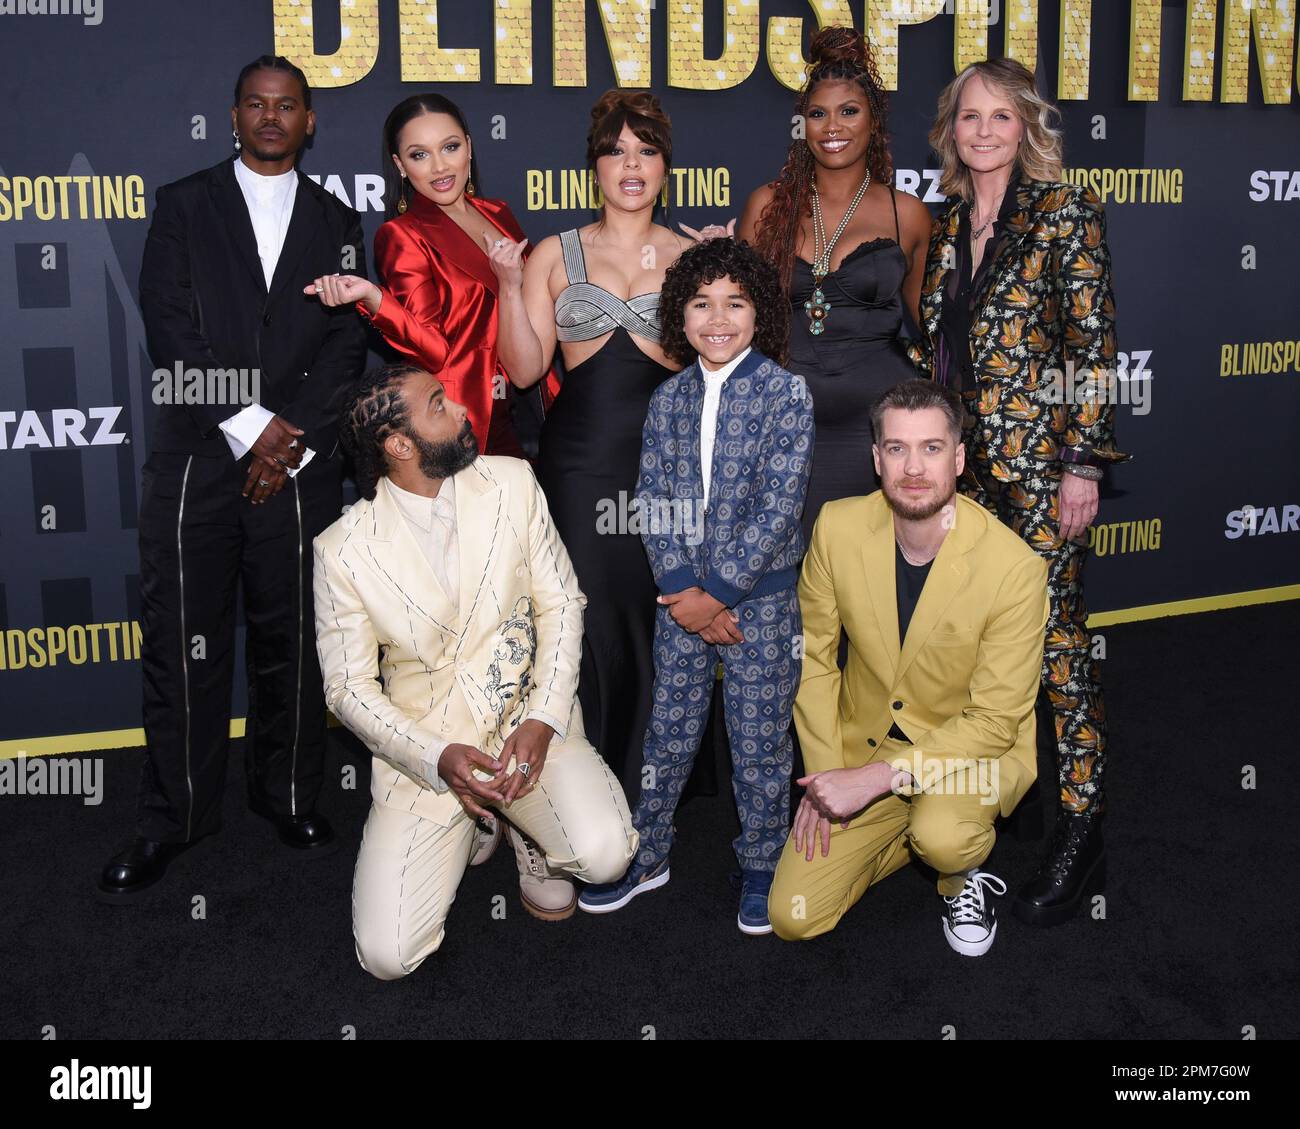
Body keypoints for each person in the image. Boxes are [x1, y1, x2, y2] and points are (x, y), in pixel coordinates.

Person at [98, 55, 368, 900]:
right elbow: (169, 327)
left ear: (310, 119)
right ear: (233, 115)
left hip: (301, 468)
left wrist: (290, 444)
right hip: (196, 462)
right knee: (182, 643)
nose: (271, 116)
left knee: (294, 639)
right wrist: (254, 428)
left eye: (287, 104)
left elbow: (347, 345)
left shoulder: (338, 217)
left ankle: (289, 794)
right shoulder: (182, 205)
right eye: (255, 103)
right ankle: (171, 819)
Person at [314, 363, 637, 978]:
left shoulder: (511, 481)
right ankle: (467, 819)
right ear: (400, 446)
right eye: (438, 404)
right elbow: (347, 689)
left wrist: (544, 718)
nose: (463, 408)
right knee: (387, 957)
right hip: (432, 750)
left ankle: (529, 838)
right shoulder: (343, 549)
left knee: (606, 856)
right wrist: (437, 758)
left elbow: (562, 603)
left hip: (528, 727)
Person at [913, 58, 1128, 926]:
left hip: (1044, 474)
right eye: (971, 116)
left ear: (1027, 126)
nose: (985, 129)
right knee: (982, 645)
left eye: (1003, 115)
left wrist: (1082, 464)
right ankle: (1011, 798)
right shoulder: (947, 221)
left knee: (1060, 648)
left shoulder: (1065, 211)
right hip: (969, 478)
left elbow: (1096, 348)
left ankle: (1083, 829)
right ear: (952, 130)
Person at [490, 90, 729, 798]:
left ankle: (656, 785)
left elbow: (721, 367)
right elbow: (527, 368)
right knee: (585, 615)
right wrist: (508, 285)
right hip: (580, 463)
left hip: (668, 465)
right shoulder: (554, 253)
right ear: (594, 165)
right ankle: (581, 788)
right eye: (617, 150)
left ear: (665, 165)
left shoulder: (692, 252)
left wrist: (723, 277)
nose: (632, 164)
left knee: (662, 609)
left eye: (647, 150)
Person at [578, 239, 813, 935]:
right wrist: (686, 591)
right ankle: (649, 848)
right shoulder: (669, 400)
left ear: (760, 313)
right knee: (668, 733)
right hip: (680, 603)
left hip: (759, 604)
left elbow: (780, 506)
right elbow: (652, 498)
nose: (719, 318)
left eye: (736, 304)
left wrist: (721, 592)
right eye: (702, 303)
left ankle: (764, 857)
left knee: (761, 738)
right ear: (678, 316)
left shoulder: (784, 392)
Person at [769, 380, 1049, 956]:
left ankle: (956, 872)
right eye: (897, 449)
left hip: (972, 753)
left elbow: (996, 721)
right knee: (793, 918)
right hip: (864, 744)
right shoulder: (837, 528)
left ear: (960, 457)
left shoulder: (1015, 569)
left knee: (943, 838)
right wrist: (827, 781)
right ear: (876, 459)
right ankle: (907, 828)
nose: (914, 467)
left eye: (931, 448)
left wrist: (875, 781)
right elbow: (815, 660)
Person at [739, 26, 931, 543]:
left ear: (874, 120)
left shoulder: (907, 213)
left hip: (878, 432)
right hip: (785, 427)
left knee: (868, 585)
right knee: (787, 579)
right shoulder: (766, 207)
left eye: (849, 111)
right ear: (802, 125)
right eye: (818, 114)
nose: (832, 127)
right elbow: (742, 325)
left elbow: (928, 327)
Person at [304, 93, 559, 456]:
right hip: (467, 422)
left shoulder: (498, 213)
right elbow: (435, 353)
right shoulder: (402, 235)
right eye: (419, 154)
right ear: (400, 165)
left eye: (450, 147)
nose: (439, 167)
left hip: (534, 403)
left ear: (469, 147)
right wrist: (374, 299)